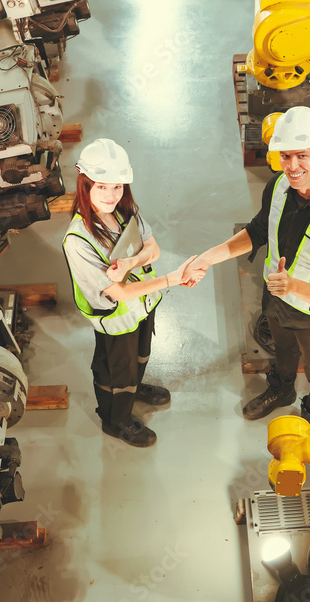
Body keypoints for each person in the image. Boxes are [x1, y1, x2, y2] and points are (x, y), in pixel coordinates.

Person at [185, 107, 310, 434]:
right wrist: (209, 257)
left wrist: (291, 285)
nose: (292, 167)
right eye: (285, 157)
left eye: (301, 156)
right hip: (275, 299)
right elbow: (257, 231)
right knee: (282, 349)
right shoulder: (278, 186)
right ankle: (281, 389)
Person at [63, 138, 202, 447]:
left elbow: (152, 248)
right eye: (102, 187)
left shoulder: (125, 211)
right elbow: (119, 293)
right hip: (116, 319)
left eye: (117, 187)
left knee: (140, 357)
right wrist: (172, 279)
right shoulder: (79, 240)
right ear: (85, 185)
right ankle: (117, 420)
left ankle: (135, 389)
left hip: (142, 308)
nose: (111, 195)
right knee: (116, 372)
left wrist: (131, 260)